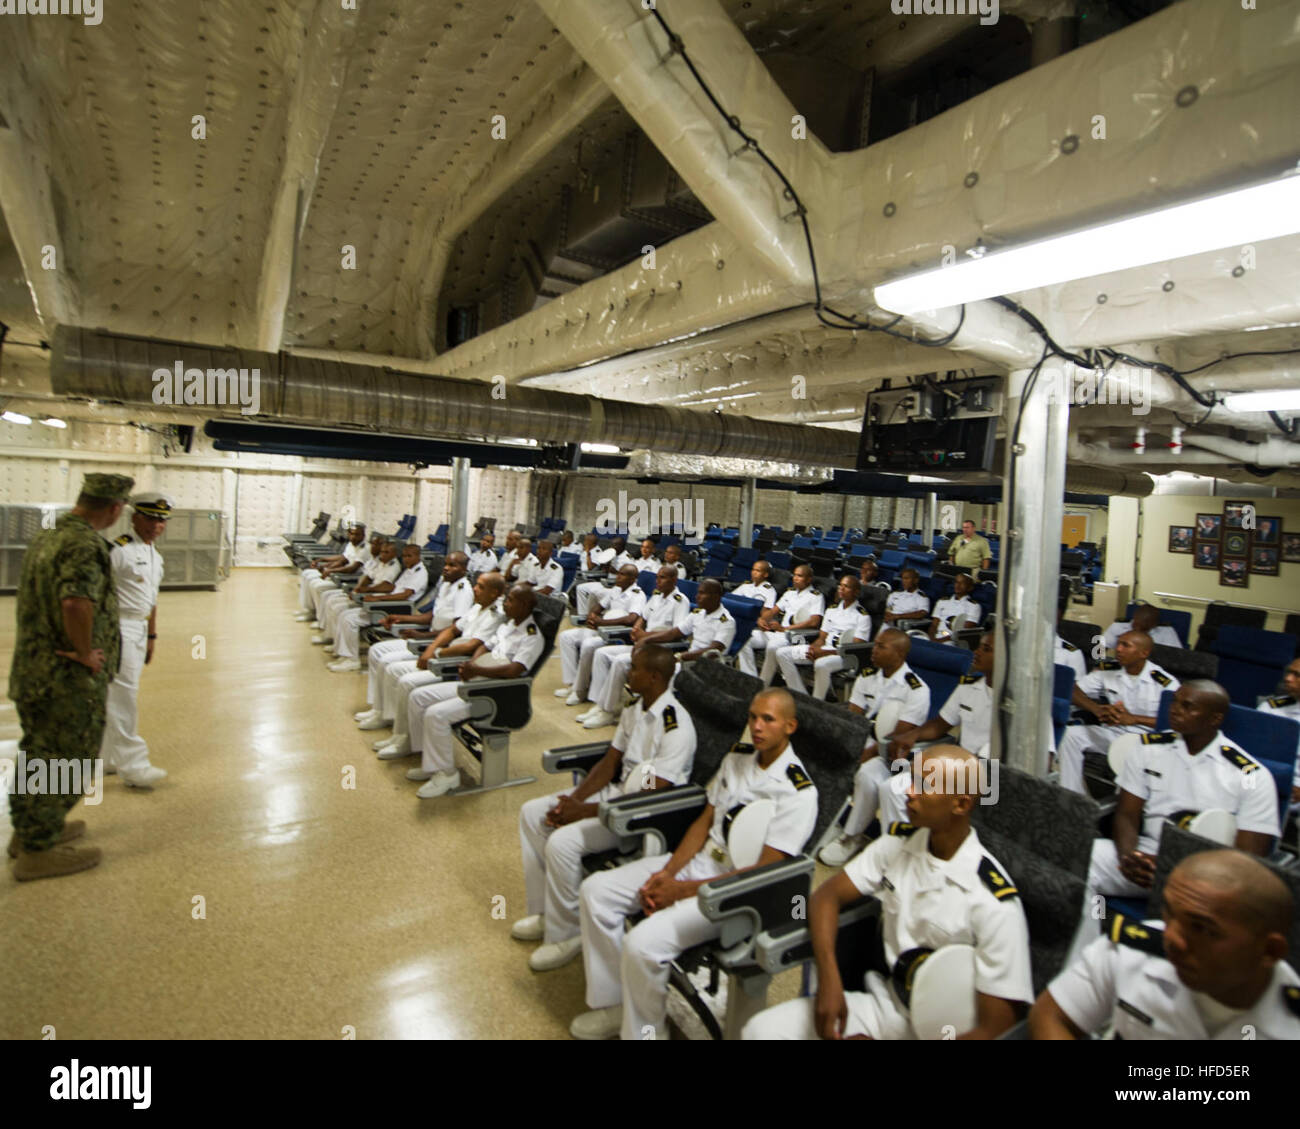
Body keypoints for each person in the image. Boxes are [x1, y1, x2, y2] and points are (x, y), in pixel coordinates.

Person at [571, 688, 818, 1040]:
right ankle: (615, 1004)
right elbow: (704, 822)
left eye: (768, 719)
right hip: (696, 865)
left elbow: (763, 872)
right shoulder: (737, 757)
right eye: (752, 717)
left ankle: (645, 1033)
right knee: (596, 891)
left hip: (735, 895)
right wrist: (667, 872)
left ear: (790, 726)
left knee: (642, 944)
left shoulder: (798, 791)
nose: (757, 726)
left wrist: (680, 891)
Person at [744, 746, 1031, 1039]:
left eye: (924, 784)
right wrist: (830, 981)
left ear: (960, 803)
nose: (909, 791)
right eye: (911, 778)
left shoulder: (994, 902)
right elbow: (826, 898)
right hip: (888, 1009)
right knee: (760, 1031)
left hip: (946, 1032)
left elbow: (996, 1028)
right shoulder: (897, 845)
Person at [516, 645, 696, 972]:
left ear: (654, 677)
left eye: (635, 668)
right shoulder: (635, 706)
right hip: (616, 794)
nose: (628, 672)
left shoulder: (676, 727)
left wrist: (582, 813)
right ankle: (548, 912)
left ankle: (567, 933)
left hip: (643, 817)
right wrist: (575, 800)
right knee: (533, 813)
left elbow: (651, 796)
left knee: (562, 842)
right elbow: (610, 761)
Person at [8, 472, 133, 881]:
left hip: (34, 669)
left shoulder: (49, 535)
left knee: (38, 752)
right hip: (65, 678)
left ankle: (29, 832)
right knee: (65, 758)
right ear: (114, 509)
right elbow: (76, 602)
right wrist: (85, 652)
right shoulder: (83, 543)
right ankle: (38, 851)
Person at [1031, 850, 1300, 1039]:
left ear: (1269, 950)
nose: (1172, 938)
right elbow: (1051, 1015)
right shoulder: (1134, 948)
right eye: (1169, 913)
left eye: (1201, 928)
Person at [1083, 680, 1279, 908]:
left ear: (1215, 719)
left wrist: (1170, 868)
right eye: (1174, 702)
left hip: (1210, 874)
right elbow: (1127, 814)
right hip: (1145, 854)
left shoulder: (1251, 775)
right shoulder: (1147, 748)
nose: (1175, 709)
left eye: (1187, 706)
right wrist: (1129, 859)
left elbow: (1247, 859)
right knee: (1080, 856)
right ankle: (1097, 930)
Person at [403, 584, 545, 799]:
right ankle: (430, 761)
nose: (505, 603)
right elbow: (486, 646)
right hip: (479, 679)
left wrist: (477, 669)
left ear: (524, 605)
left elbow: (514, 670)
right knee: (418, 696)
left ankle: (447, 774)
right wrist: (473, 663)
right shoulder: (508, 625)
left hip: (497, 693)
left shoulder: (532, 635)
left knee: (436, 714)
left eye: (510, 600)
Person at [818, 629, 930, 867]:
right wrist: (845, 746)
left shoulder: (916, 690)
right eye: (875, 645)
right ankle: (832, 820)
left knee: (866, 776)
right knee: (827, 756)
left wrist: (862, 756)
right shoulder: (867, 676)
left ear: (899, 653)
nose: (873, 650)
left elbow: (896, 737)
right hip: (864, 739)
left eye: (881, 646)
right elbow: (854, 719)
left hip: (894, 753)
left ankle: (851, 837)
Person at [370, 572, 506, 757]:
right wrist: (431, 649)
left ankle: (407, 741)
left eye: (481, 586)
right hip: (444, 655)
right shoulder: (477, 607)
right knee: (393, 670)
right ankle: (397, 732)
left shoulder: (495, 615)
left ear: (494, 593)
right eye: (477, 584)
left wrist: (436, 653)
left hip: (454, 663)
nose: (475, 588)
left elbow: (471, 646)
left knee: (406, 682)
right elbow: (452, 629)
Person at [98, 491, 172, 789]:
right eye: (151, 517)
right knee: (124, 696)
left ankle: (107, 757)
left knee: (116, 695)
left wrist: (152, 634)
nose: (157, 525)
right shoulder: (120, 550)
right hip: (119, 627)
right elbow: (99, 593)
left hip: (139, 629)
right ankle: (134, 765)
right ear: (135, 517)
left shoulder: (155, 555)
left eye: (162, 520)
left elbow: (151, 600)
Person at [1057, 630, 1179, 794]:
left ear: (1144, 653)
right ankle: (1072, 794)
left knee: (1127, 756)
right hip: (1114, 731)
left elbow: (1176, 722)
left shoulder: (1164, 683)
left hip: (1146, 739)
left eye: (1125, 645)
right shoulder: (1108, 670)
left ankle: (1123, 803)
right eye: (1118, 644)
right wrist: (1097, 709)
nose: (1118, 649)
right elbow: (1072, 690)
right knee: (1070, 735)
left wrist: (1134, 719)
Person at [577, 566, 691, 730]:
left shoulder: (681, 601)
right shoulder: (656, 596)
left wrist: (645, 637)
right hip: (643, 645)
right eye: (657, 577)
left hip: (660, 650)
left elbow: (675, 634)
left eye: (663, 578)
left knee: (620, 662)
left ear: (674, 580)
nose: (658, 581)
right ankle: (599, 704)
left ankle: (608, 712)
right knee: (602, 654)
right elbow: (642, 617)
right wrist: (637, 630)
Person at [888, 632, 995, 764]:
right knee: (890, 782)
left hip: (994, 773)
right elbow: (939, 725)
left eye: (986, 649)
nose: (977, 652)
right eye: (979, 647)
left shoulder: (1017, 702)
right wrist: (911, 735)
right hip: (962, 765)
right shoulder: (968, 687)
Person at [328, 542, 430, 672]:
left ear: (418, 556)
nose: (406, 559)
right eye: (404, 556)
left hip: (397, 609)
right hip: (388, 605)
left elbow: (404, 595)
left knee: (350, 620)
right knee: (345, 615)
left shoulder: (420, 572)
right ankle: (344, 654)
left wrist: (378, 598)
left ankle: (352, 660)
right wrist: (370, 593)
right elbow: (393, 588)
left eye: (409, 556)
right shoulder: (409, 570)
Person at [555, 564, 646, 707]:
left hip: (616, 634)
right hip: (602, 628)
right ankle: (573, 684)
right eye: (618, 573)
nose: (618, 576)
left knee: (588, 645)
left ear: (633, 579)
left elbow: (631, 619)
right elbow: (600, 606)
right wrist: (593, 615)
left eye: (622, 574)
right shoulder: (616, 590)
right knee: (566, 636)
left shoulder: (637, 595)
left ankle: (580, 691)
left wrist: (602, 622)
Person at [773, 574, 871, 698]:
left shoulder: (862, 616)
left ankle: (816, 701)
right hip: (823, 649)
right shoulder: (832, 610)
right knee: (783, 653)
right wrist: (812, 649)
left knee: (821, 664)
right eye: (840, 585)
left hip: (844, 656)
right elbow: (822, 638)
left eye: (846, 587)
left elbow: (855, 647)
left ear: (856, 592)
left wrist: (824, 653)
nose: (841, 588)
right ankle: (800, 694)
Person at [739, 563, 824, 679]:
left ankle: (763, 683)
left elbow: (814, 622)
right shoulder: (790, 593)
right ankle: (749, 677)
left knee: (773, 646)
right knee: (744, 637)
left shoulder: (816, 597)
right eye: (794, 575)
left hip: (794, 636)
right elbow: (773, 612)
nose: (795, 578)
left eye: (799, 576)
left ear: (809, 579)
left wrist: (784, 629)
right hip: (777, 632)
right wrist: (761, 620)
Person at [313, 536, 398, 646]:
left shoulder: (393, 566)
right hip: (365, 596)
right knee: (331, 601)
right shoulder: (380, 562)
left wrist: (364, 590)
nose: (382, 554)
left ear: (394, 554)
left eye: (386, 552)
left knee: (345, 616)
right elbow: (368, 577)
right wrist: (357, 589)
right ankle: (333, 639)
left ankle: (349, 658)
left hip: (376, 604)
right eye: (381, 551)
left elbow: (387, 586)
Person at [295, 522, 368, 621]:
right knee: (307, 574)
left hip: (351, 578)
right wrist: (323, 562)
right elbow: (343, 559)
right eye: (351, 534)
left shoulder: (365, 549)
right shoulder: (351, 544)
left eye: (357, 534)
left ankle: (318, 616)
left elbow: (352, 568)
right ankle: (310, 610)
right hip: (341, 574)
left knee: (317, 585)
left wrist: (329, 571)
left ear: (363, 535)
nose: (353, 537)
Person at [1259, 659, 1300, 806]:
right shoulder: (1270, 708)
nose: (1288, 679)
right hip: (1263, 778)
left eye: (1297, 675)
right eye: (1289, 672)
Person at [677, 578, 735, 662]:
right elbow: (675, 632)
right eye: (698, 592)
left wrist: (681, 656)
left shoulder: (727, 622)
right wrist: (650, 637)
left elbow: (713, 652)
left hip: (708, 664)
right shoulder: (698, 613)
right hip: (689, 658)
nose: (697, 596)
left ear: (716, 596)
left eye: (702, 593)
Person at [924, 572, 982, 643]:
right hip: (937, 636)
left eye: (962, 583)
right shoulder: (942, 601)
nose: (958, 585)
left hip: (953, 640)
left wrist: (939, 641)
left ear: (970, 587)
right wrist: (931, 638)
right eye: (956, 582)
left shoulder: (974, 606)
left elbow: (964, 631)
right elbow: (934, 625)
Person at [1102, 604, 1182, 652]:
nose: (1138, 630)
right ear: (1134, 618)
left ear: (1154, 625)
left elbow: (1176, 656)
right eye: (1135, 625)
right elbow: (1100, 649)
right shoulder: (1119, 626)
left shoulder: (1166, 632)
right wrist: (1096, 664)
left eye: (1143, 628)